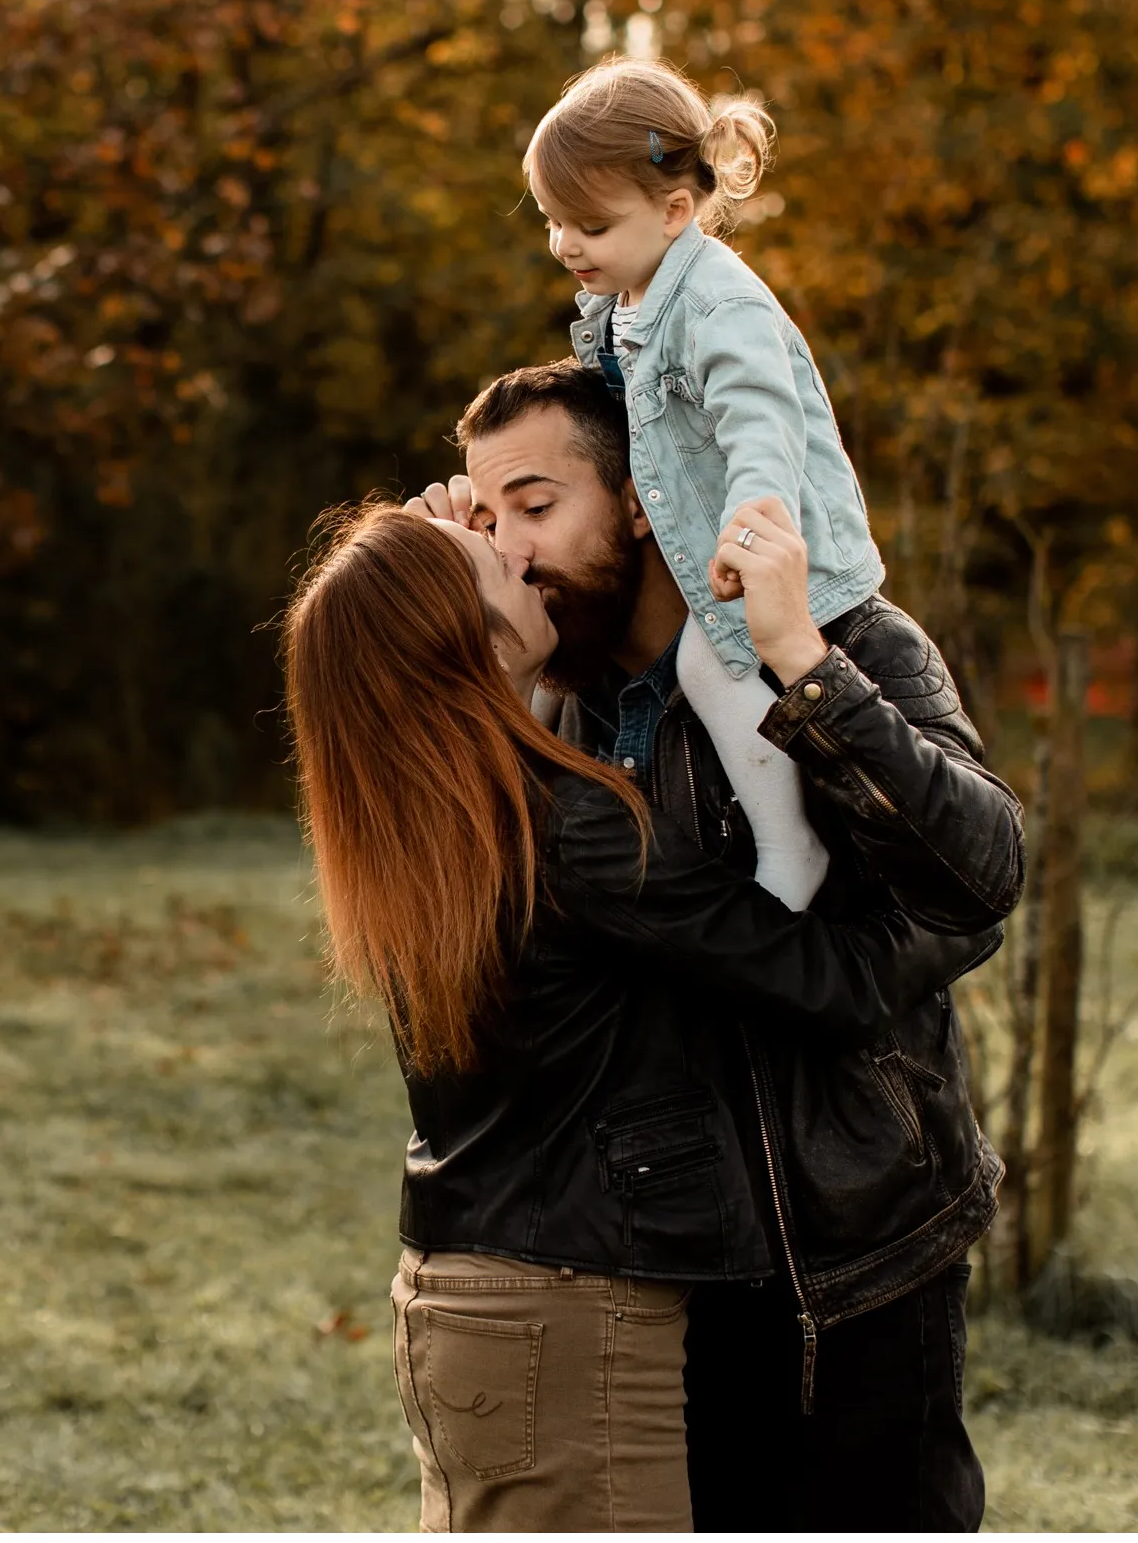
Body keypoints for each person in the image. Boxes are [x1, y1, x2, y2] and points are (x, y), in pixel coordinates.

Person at [282, 483, 1015, 1534]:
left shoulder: (422, 821)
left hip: (465, 1296)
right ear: (467, 645)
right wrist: (966, 901)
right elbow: (835, 979)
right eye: (497, 563)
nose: (521, 558)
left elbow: (392, 633)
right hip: (563, 1320)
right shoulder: (570, 830)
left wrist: (412, 556)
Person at [524, 55, 883, 913]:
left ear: (675, 211)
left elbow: (761, 416)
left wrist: (758, 512)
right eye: (551, 222)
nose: (566, 245)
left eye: (589, 226)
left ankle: (787, 844)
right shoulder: (629, 300)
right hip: (701, 547)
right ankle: (521, 778)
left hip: (768, 552)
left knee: (712, 670)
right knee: (556, 653)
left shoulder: (721, 302)